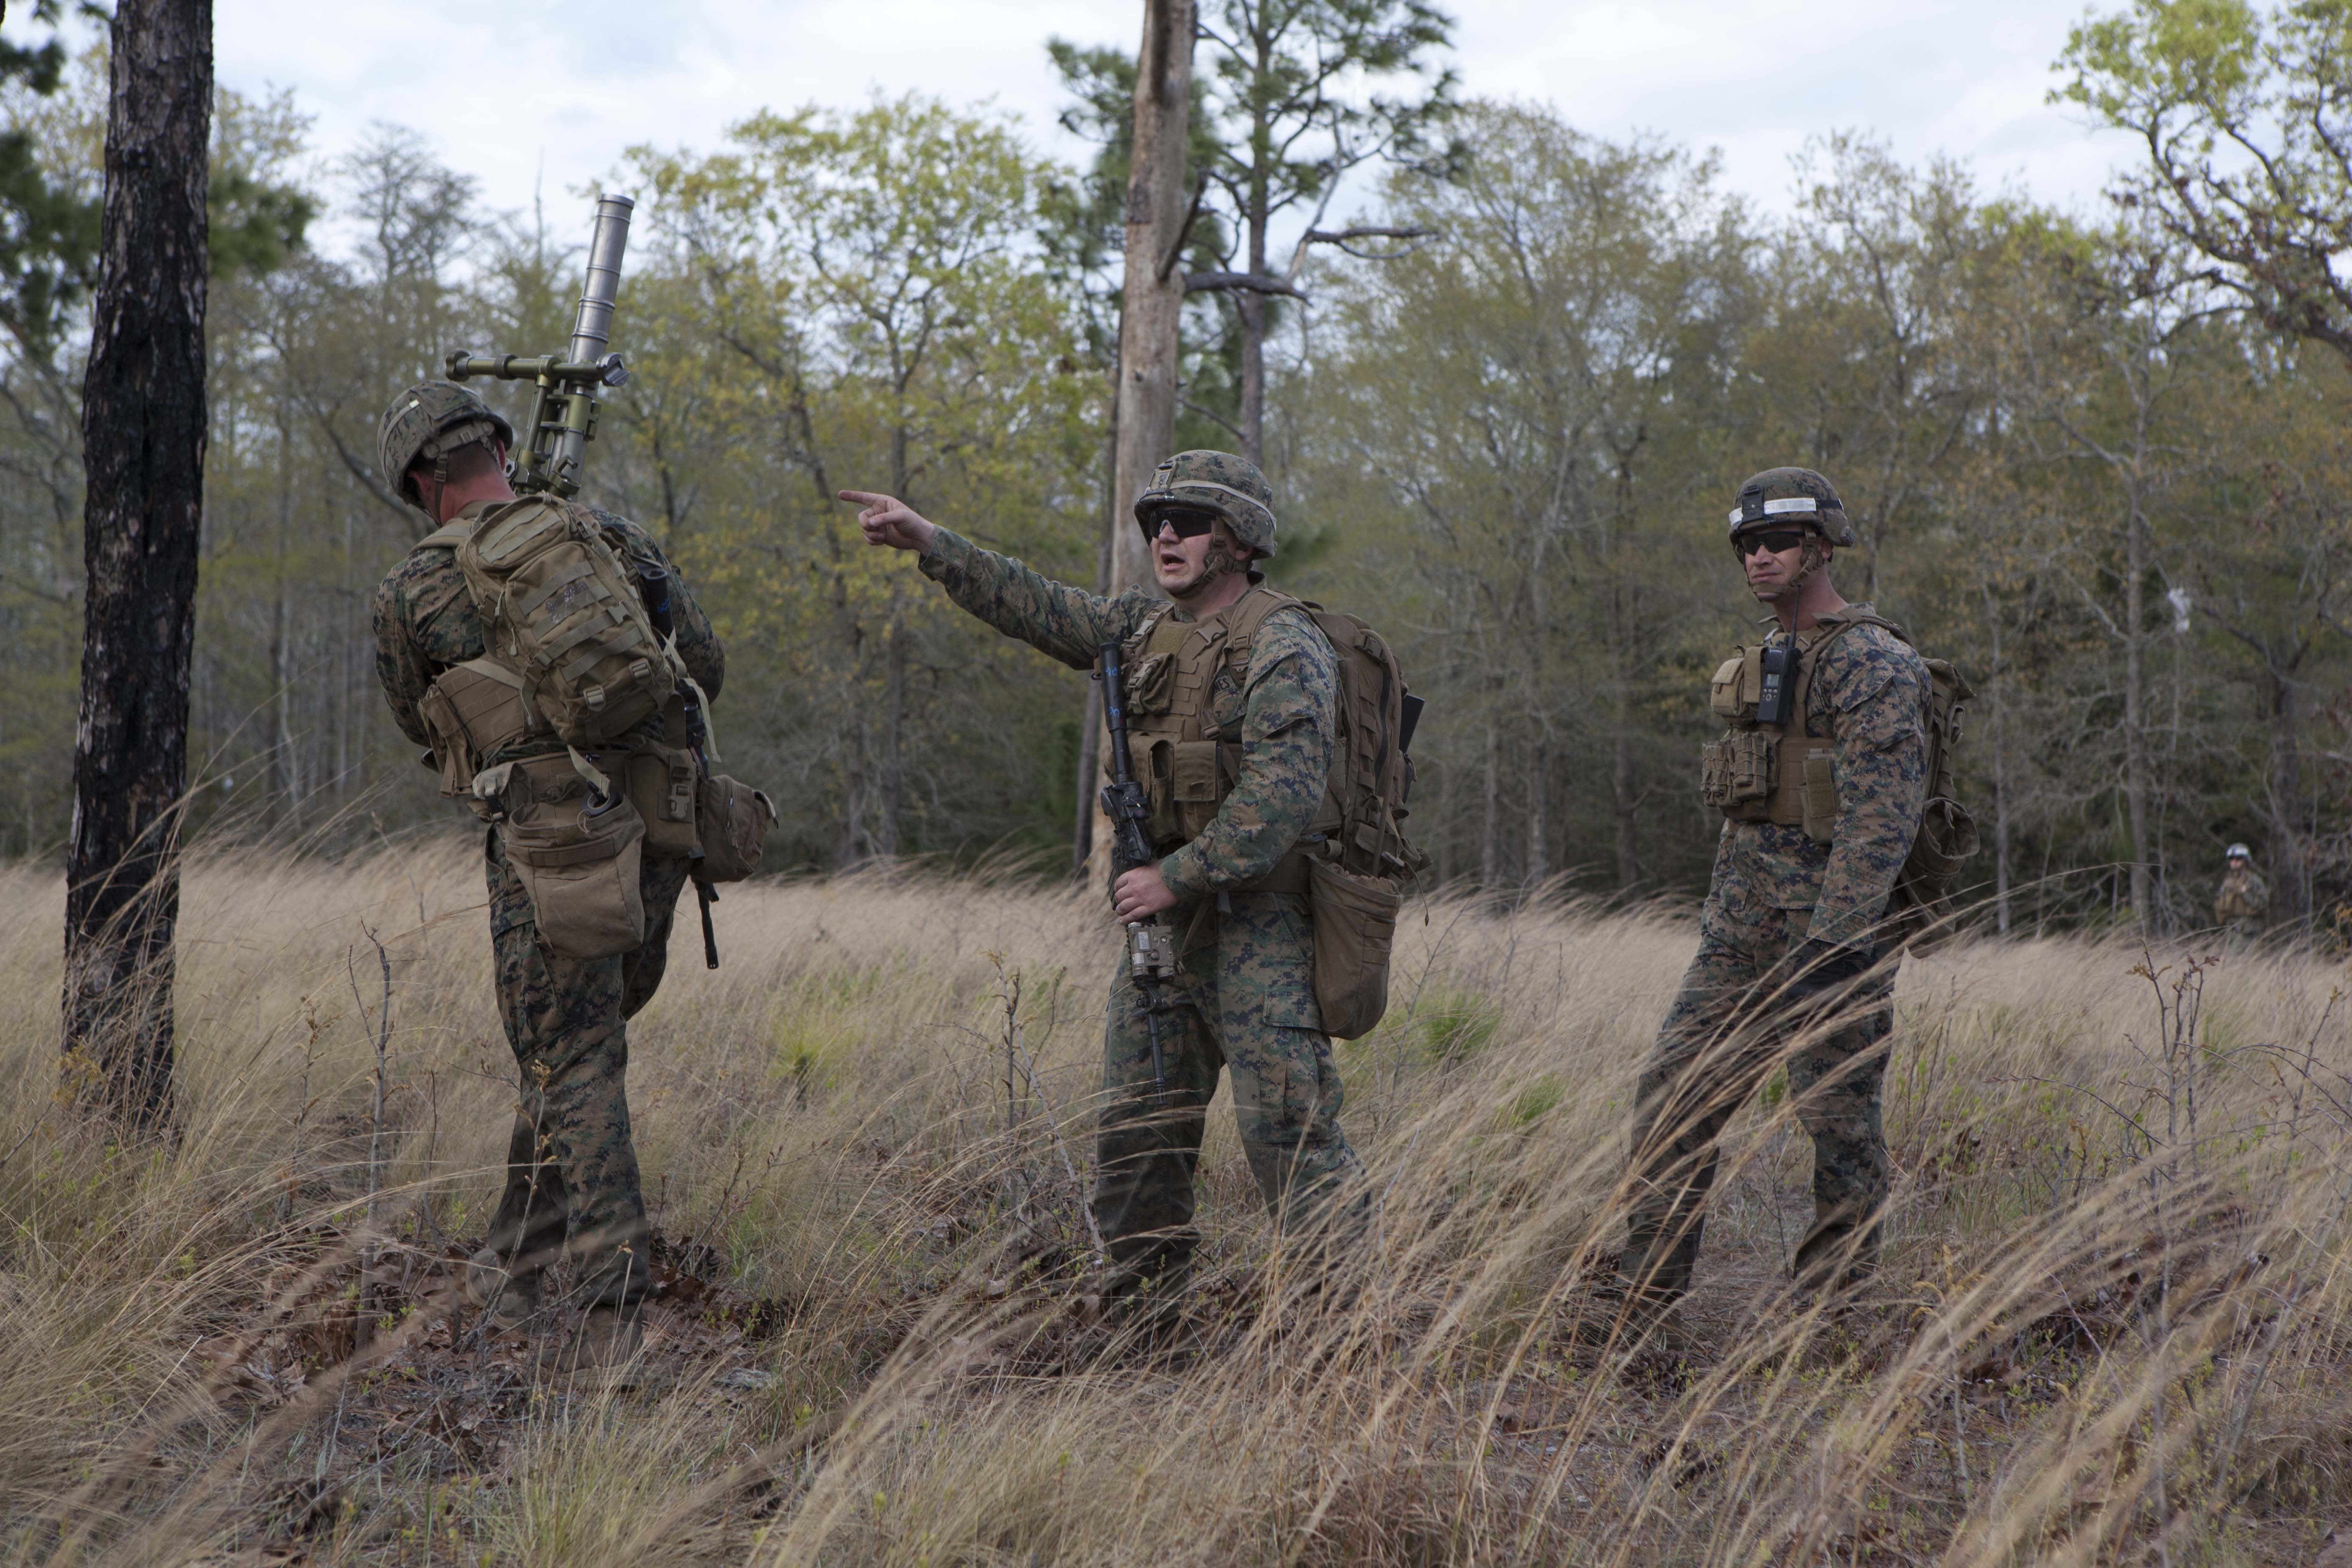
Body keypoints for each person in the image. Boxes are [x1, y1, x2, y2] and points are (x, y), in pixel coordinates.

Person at [841, 452, 1363, 1309]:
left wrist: (1175, 877)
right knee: (1136, 1129)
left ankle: (1343, 1343)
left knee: (1289, 1136)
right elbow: (1038, 605)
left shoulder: (1284, 641)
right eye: (1155, 516)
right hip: (1166, 937)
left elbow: (1285, 800)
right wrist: (929, 541)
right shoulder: (1137, 630)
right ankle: (1141, 1327)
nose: (1165, 532)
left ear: (1236, 539)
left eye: (1188, 519)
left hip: (1261, 929)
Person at [370, 382, 725, 1369]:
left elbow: (416, 723)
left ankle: (614, 1310)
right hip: (660, 820)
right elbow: (704, 659)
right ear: (497, 446)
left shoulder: (413, 588)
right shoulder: (604, 533)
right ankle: (516, 1260)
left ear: (419, 479)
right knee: (572, 1044)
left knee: (572, 1058)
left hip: (553, 842)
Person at [1610, 467, 1931, 1343]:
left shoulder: (1872, 662)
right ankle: (1636, 1310)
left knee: (1839, 1127)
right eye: (1749, 544)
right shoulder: (1766, 662)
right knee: (1672, 1097)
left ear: (1820, 547)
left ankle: (1833, 1324)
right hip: (1742, 936)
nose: (1760, 556)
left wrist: (1835, 943)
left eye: (1779, 541)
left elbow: (1883, 819)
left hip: (1831, 938)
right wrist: (1723, 922)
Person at [2214, 843, 2267, 952]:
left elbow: (2263, 903)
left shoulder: (2253, 881)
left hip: (2248, 931)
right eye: (2232, 859)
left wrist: (2245, 894)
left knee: (2236, 961)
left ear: (2246, 861)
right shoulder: (2227, 882)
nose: (2235, 862)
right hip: (2230, 930)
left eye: (2239, 859)